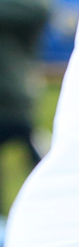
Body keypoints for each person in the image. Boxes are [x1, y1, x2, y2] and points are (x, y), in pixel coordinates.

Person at [0, 0, 49, 206]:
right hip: (15, 98)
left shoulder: (26, 8)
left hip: (17, 101)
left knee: (44, 169)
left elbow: (40, 11)